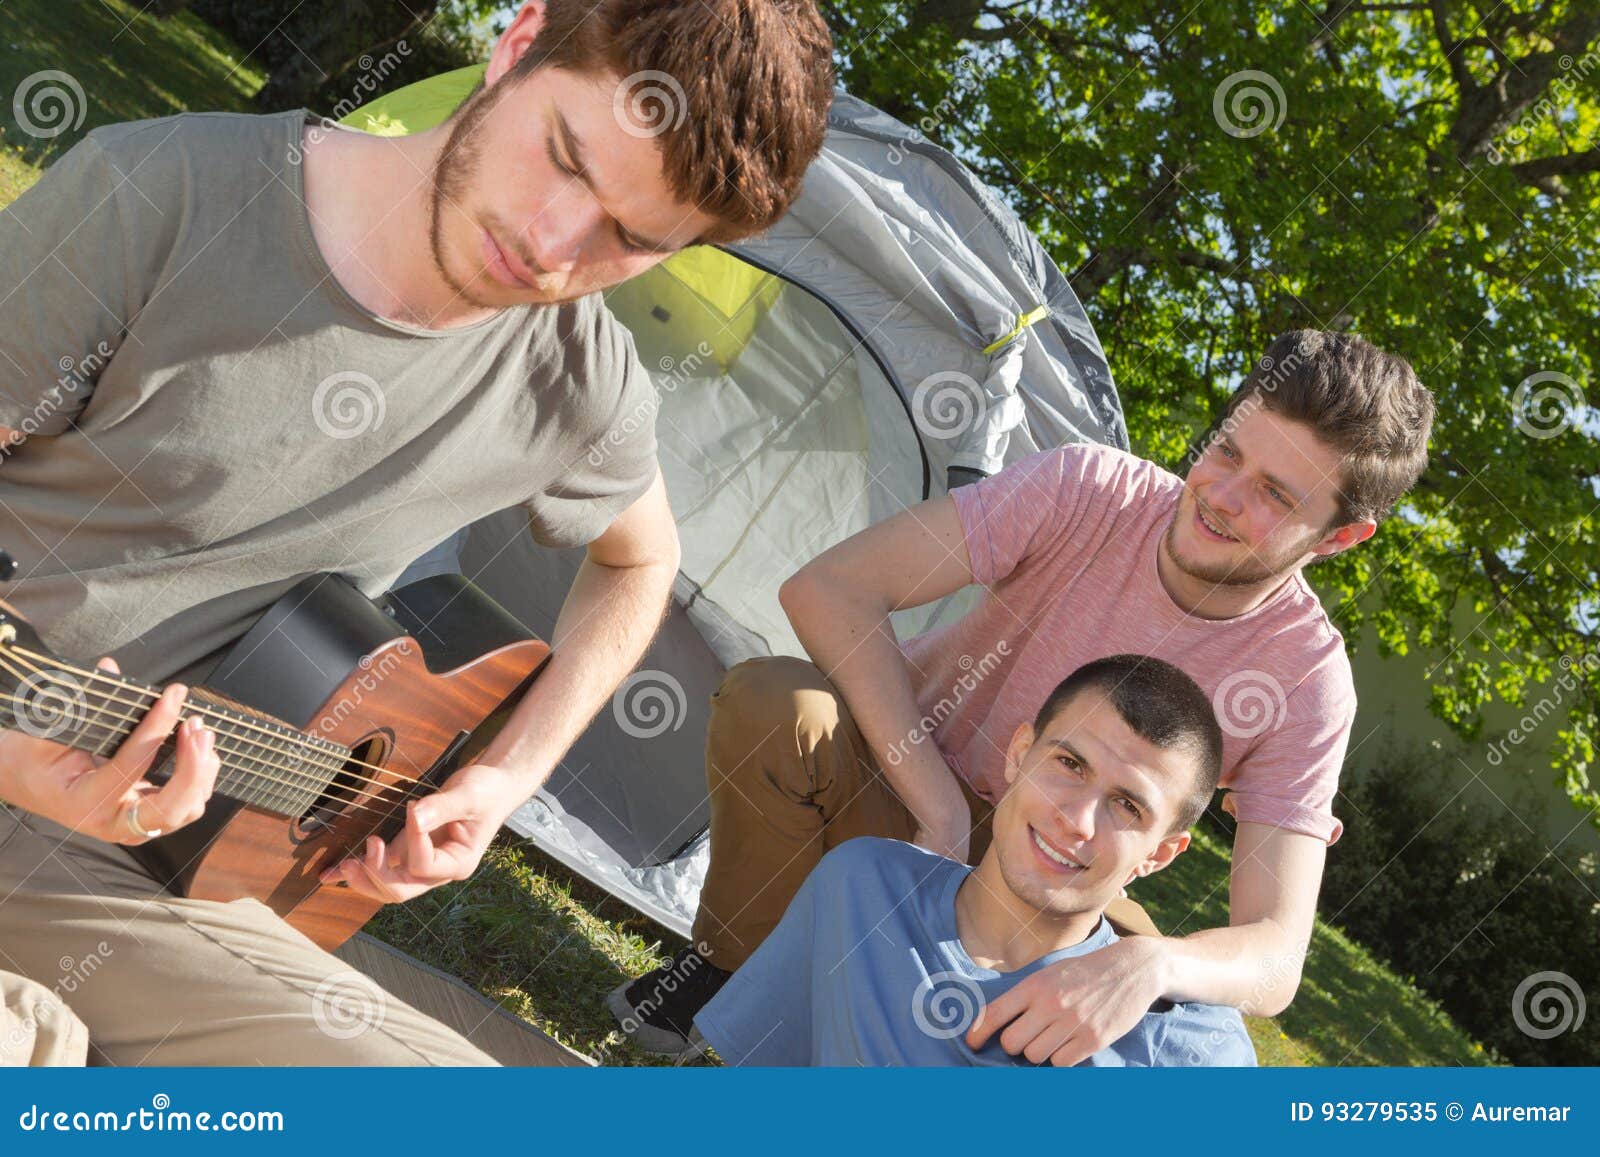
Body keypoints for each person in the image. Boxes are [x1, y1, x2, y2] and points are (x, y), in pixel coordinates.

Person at [0, 0, 835, 1065]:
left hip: (196, 857)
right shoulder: (163, 191)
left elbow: (641, 559)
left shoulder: (577, 383)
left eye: (631, 239)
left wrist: (499, 784)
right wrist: (21, 762)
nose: (550, 246)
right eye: (565, 159)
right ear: (520, 41)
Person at [613, 329, 1436, 1060]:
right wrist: (935, 802)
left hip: (1057, 871)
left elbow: (1275, 953)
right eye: (1227, 453)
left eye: (1277, 495)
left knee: (1181, 1023)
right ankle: (731, 974)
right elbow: (829, 588)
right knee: (777, 707)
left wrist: (1149, 962)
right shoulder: (1090, 488)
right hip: (904, 789)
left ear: (1340, 537)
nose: (1222, 497)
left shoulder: (1308, 678)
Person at [693, 655, 1256, 1067]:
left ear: (1159, 854)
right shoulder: (862, 888)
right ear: (1018, 754)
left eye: (1127, 806)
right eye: (1069, 764)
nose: (1076, 820)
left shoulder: (1190, 1050)